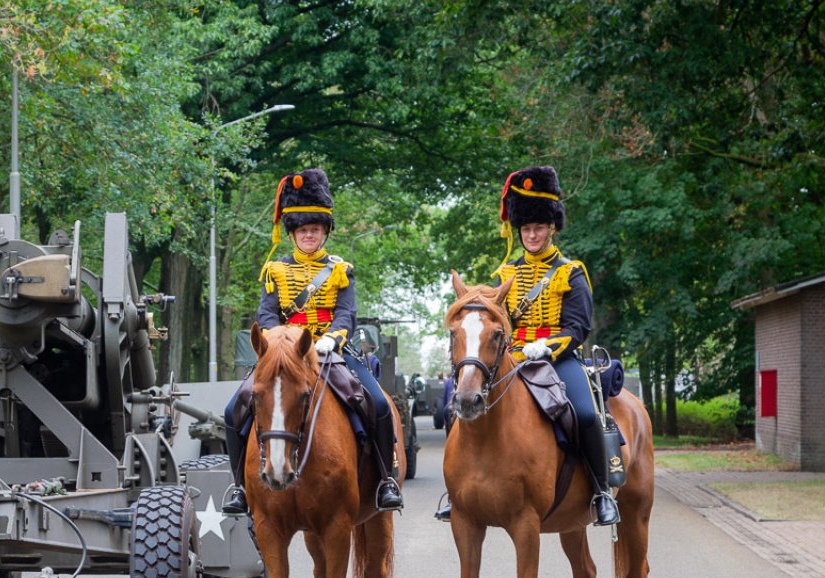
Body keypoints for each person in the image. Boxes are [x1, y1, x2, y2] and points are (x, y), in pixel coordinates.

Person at [435, 165, 619, 526]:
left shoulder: (571, 272)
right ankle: (458, 492)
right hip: (514, 357)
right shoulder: (505, 275)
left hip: (559, 358)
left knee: (584, 413)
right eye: (526, 229)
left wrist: (546, 347)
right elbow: (490, 322)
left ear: (552, 228)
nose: (532, 235)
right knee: (458, 407)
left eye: (538, 228)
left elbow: (578, 327)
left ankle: (600, 493)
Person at [222, 167, 404, 514]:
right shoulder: (275, 271)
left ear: (324, 232)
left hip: (330, 352)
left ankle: (385, 481)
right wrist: (281, 343)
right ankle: (239, 488)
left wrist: (332, 339)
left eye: (315, 229)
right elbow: (267, 315)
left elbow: (346, 313)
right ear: (293, 232)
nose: (309, 235)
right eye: (304, 229)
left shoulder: (340, 270)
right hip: (284, 355)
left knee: (378, 405)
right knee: (234, 409)